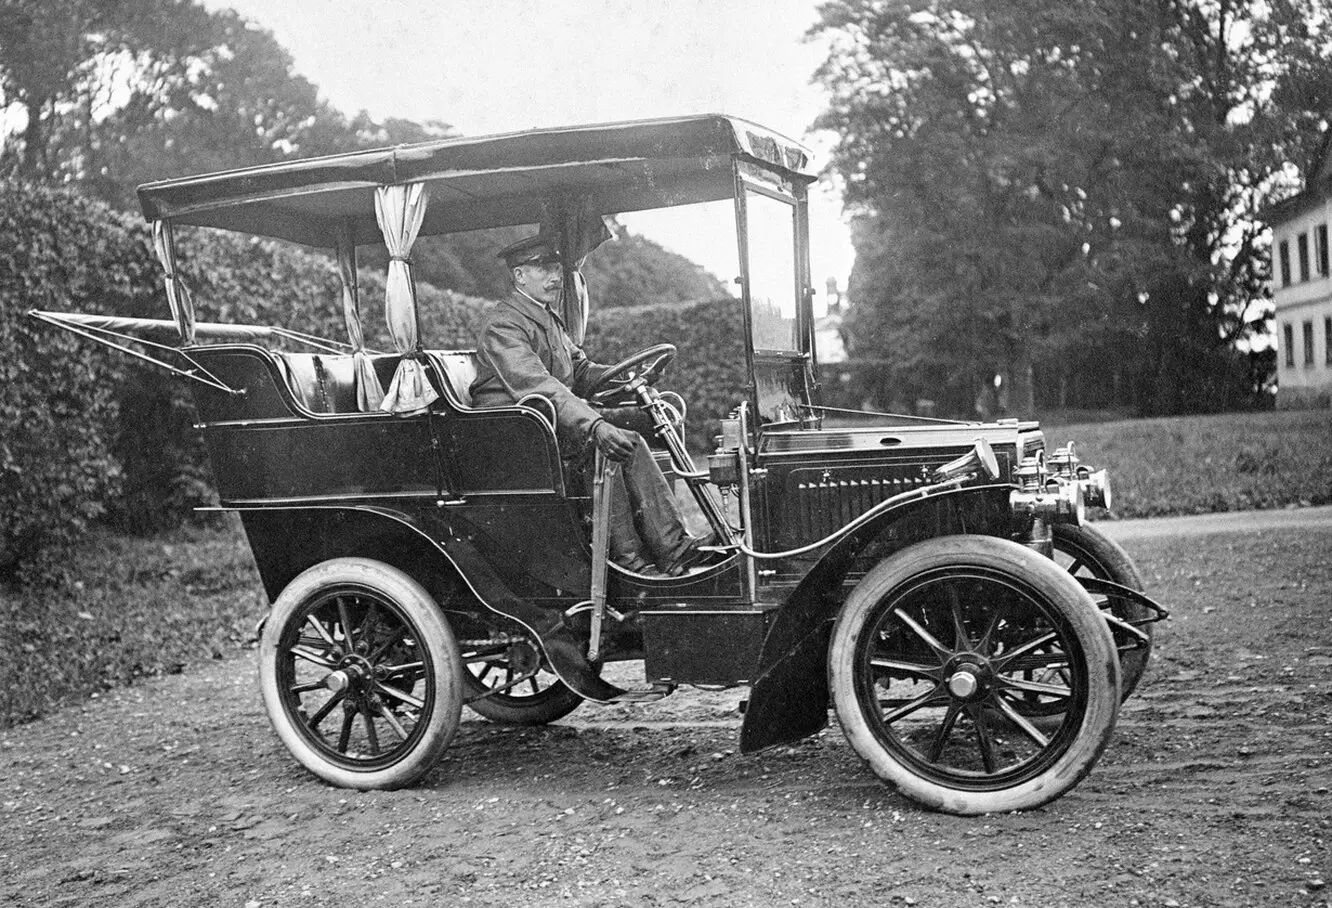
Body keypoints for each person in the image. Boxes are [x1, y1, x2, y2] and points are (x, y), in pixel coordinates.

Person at [469, 233, 708, 576]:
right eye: (543, 269)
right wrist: (595, 425)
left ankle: (674, 551)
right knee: (607, 445)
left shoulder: (545, 317)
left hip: (546, 422)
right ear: (519, 276)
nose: (554, 277)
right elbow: (537, 384)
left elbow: (578, 370)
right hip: (511, 434)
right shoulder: (504, 323)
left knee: (641, 429)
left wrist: (628, 376)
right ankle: (632, 564)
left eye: (555, 267)